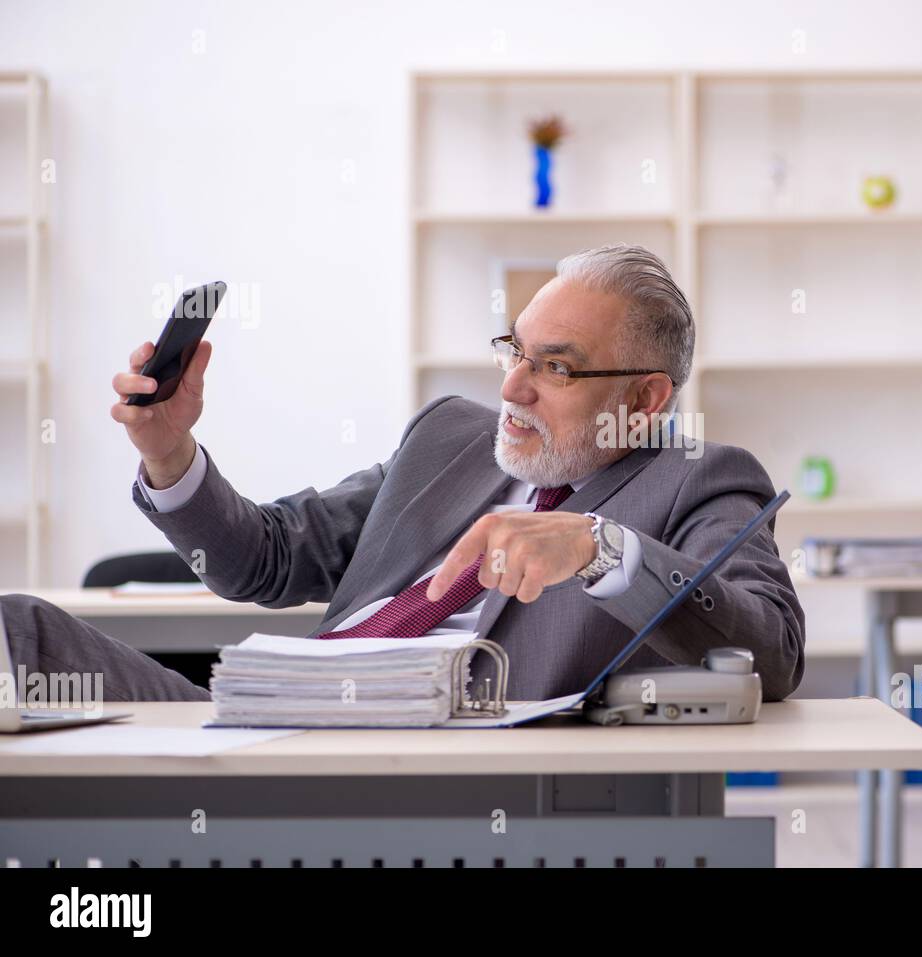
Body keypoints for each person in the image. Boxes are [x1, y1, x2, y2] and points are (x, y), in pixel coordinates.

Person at [1, 244, 805, 703]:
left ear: (646, 395)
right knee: (20, 631)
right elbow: (269, 559)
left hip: (441, 783)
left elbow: (770, 653)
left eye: (554, 368)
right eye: (514, 350)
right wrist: (168, 452)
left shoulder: (700, 478)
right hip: (276, 725)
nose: (512, 388)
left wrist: (596, 546)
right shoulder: (449, 437)